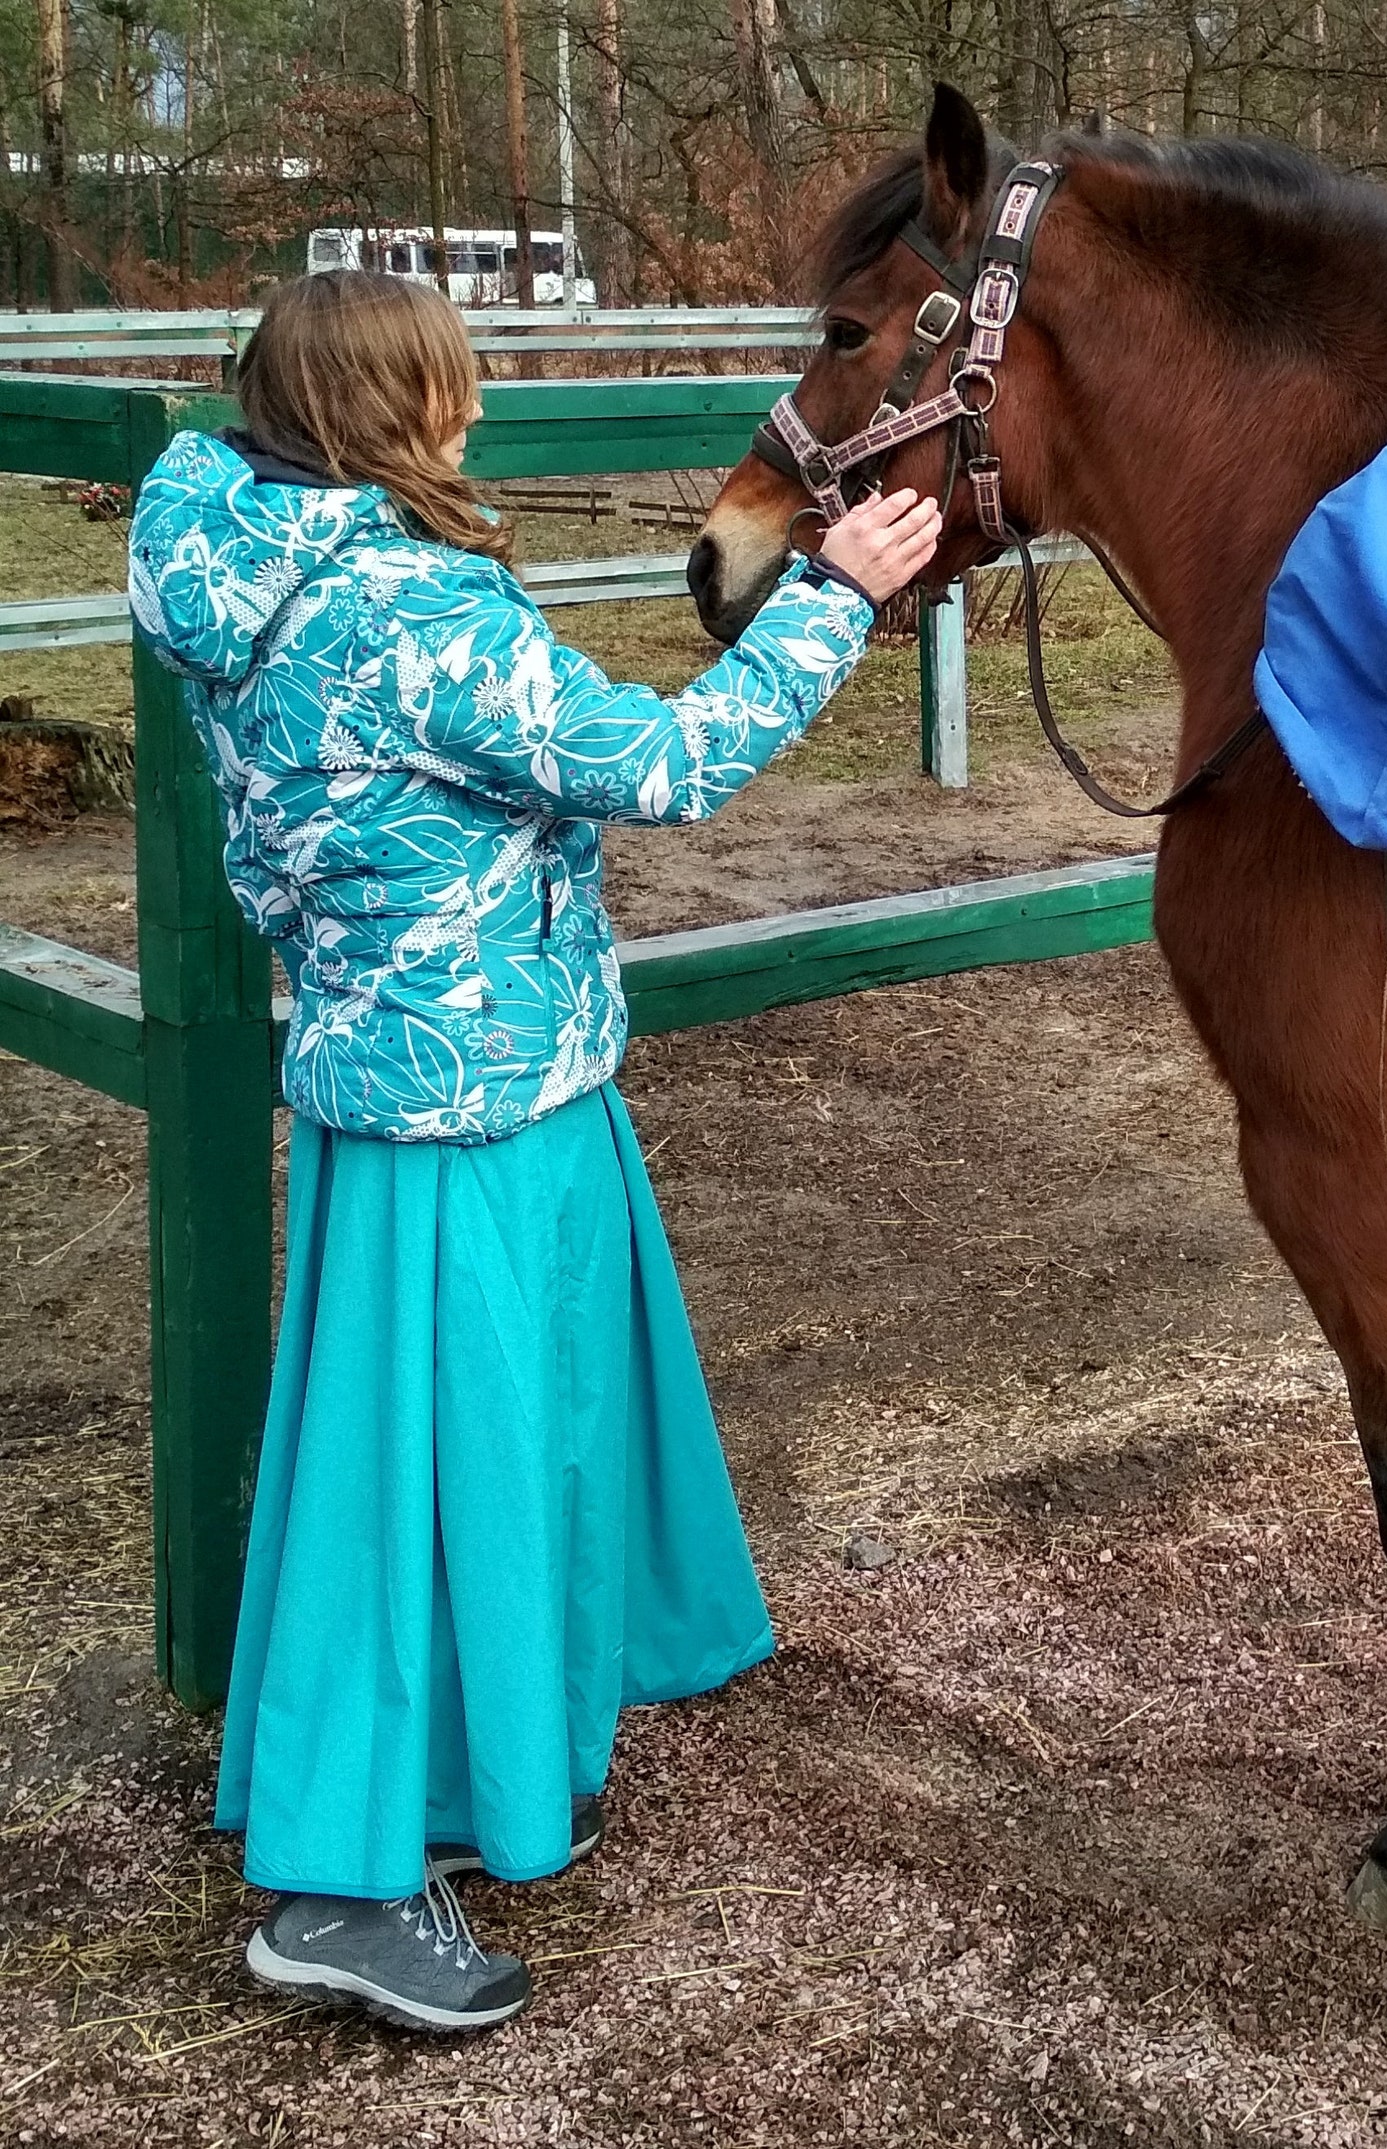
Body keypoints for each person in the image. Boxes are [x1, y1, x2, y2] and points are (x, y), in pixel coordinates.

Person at [128, 270, 940, 2034]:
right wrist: (836, 599)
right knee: (419, 1468)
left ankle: (486, 1755)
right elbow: (663, 763)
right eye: (455, 388)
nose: (481, 413)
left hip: (419, 1066)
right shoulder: (418, 616)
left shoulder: (242, 563)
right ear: (395, 411)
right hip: (471, 1094)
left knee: (454, 1450)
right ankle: (336, 1885)